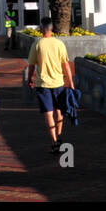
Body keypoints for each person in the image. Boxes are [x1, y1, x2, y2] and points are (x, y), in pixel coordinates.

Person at [26, 17, 73, 153]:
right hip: (58, 83)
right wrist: (70, 82)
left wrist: (30, 79)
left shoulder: (37, 44)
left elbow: (31, 65)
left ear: (41, 29)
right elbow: (66, 65)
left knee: (48, 113)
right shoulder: (59, 44)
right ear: (52, 28)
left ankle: (54, 142)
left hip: (43, 84)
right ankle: (58, 137)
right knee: (59, 112)